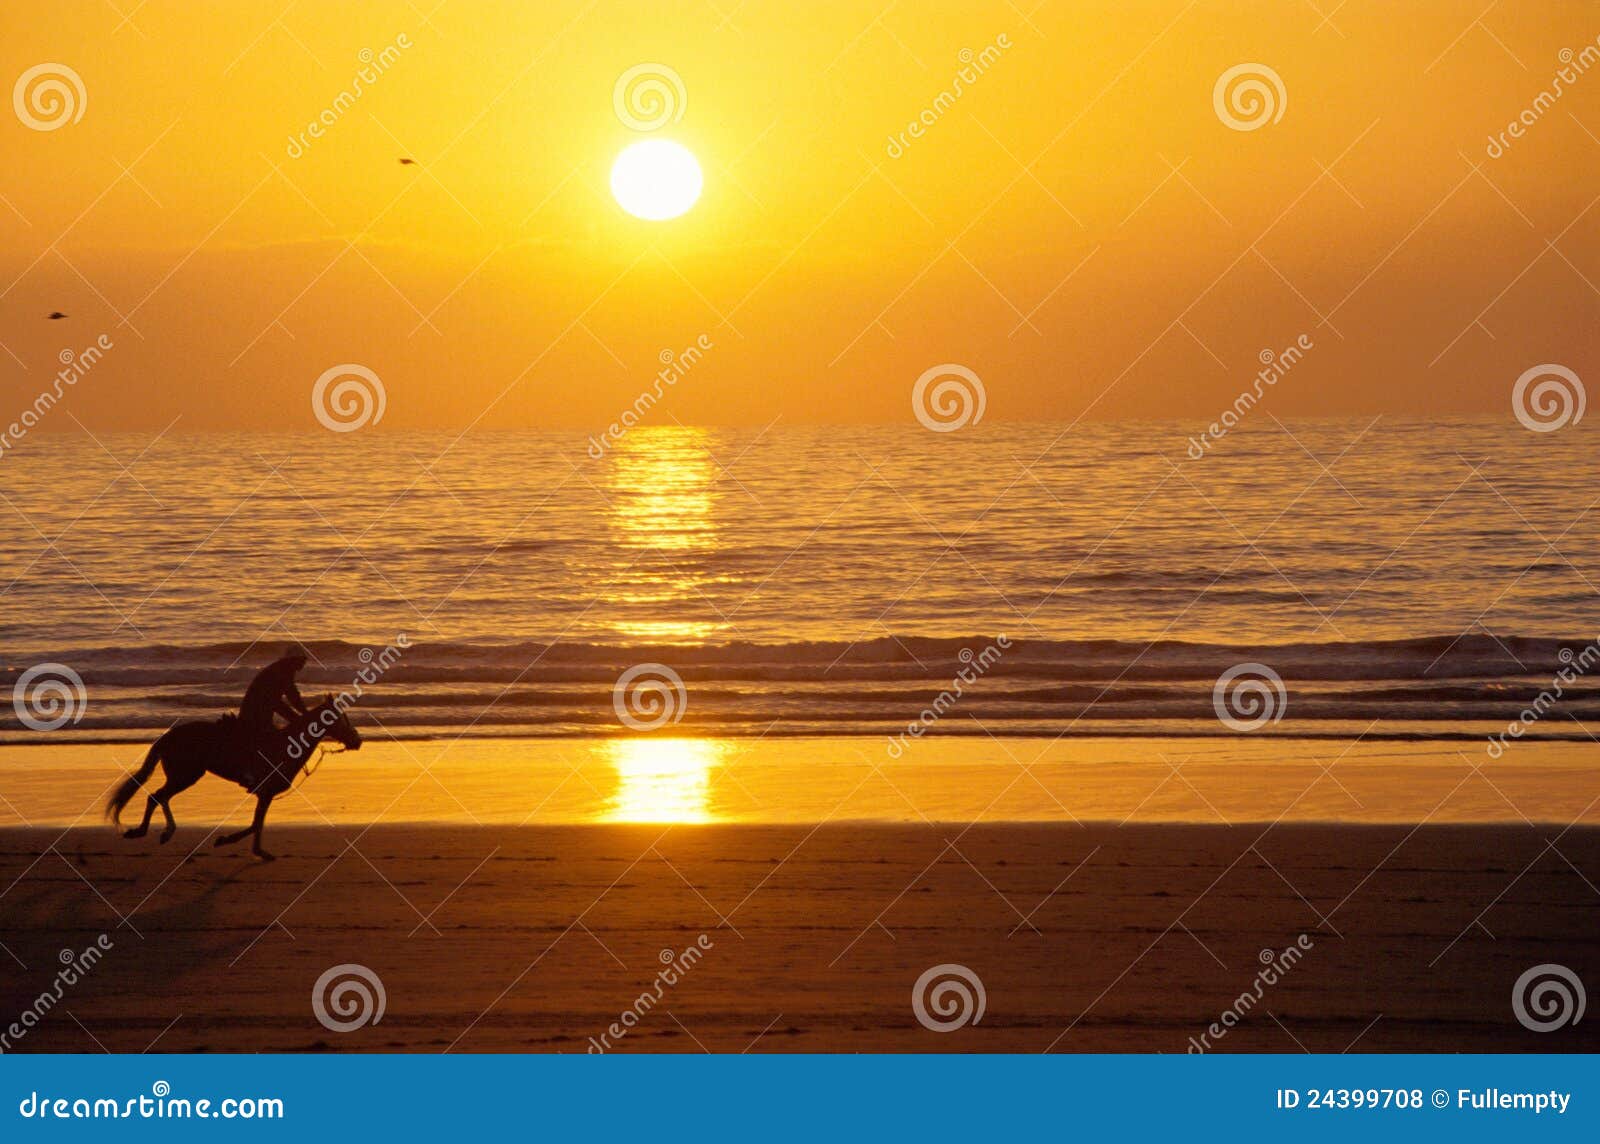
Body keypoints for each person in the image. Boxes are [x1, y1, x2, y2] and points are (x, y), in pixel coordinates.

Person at [239, 644, 310, 739]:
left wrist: (303, 714)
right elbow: (289, 698)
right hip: (254, 713)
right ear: (294, 660)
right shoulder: (282, 672)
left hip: (259, 709)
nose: (304, 663)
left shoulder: (284, 669)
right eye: (302, 660)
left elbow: (291, 697)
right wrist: (301, 716)